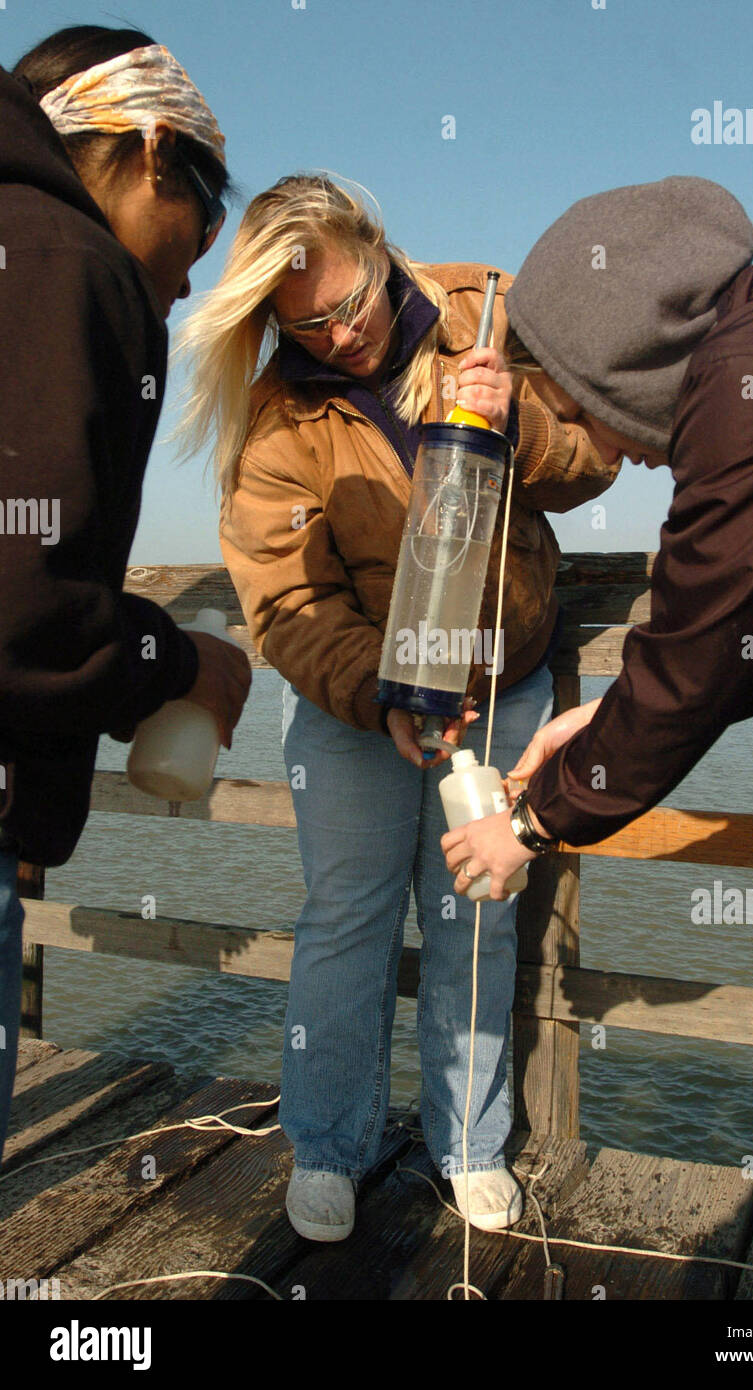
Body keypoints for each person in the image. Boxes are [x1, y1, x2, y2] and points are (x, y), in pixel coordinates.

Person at [176, 172, 620, 1238]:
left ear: (378, 247)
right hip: (354, 707)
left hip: (504, 684)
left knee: (478, 911)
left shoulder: (487, 314)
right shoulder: (279, 408)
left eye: (352, 300)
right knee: (348, 921)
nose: (340, 333)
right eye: (306, 324)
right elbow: (287, 598)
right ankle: (330, 1143)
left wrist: (528, 429)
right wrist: (380, 694)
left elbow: (600, 455)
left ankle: (468, 1143)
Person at [440, 175, 753, 897]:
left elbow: (698, 649)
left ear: (628, 368)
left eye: (583, 414)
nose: (607, 451)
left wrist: (532, 824)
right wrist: (614, 710)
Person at [0, 26, 252, 1164]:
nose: (195, 269)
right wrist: (181, 661)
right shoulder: (66, 260)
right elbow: (25, 600)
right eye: (206, 217)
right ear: (152, 150)